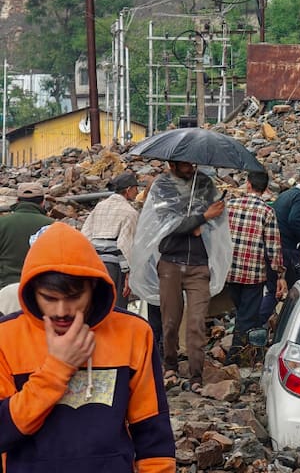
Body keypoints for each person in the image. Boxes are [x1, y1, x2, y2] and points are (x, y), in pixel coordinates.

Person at [0, 222, 175, 472]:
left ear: (93, 287)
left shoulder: (133, 333)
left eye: (73, 297)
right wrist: (57, 368)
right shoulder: (6, 337)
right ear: (31, 291)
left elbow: (151, 430)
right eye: (49, 298)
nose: (62, 311)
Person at [129, 160, 231, 392]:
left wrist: (205, 219)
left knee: (196, 323)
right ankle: (170, 366)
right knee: (170, 321)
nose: (191, 166)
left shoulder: (204, 184)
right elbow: (168, 225)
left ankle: (196, 377)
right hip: (170, 264)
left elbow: (215, 219)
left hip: (198, 265)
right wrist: (201, 218)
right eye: (185, 162)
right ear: (173, 163)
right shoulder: (162, 186)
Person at [225, 171, 286, 364]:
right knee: (247, 315)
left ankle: (241, 351)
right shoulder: (267, 211)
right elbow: (273, 247)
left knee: (241, 312)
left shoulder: (230, 206)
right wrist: (280, 274)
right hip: (253, 274)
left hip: (230, 271)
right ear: (265, 189)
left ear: (248, 184)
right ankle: (236, 356)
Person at [80, 172, 140, 310]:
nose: (137, 192)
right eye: (136, 188)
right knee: (115, 307)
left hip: (94, 263)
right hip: (115, 266)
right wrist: (128, 274)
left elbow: (85, 234)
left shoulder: (100, 207)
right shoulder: (129, 212)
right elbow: (125, 245)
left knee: (96, 306)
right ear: (128, 189)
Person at [0, 182, 54, 289]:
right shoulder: (53, 225)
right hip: (39, 290)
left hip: (5, 287)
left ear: (17, 201)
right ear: (43, 202)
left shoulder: (2, 222)